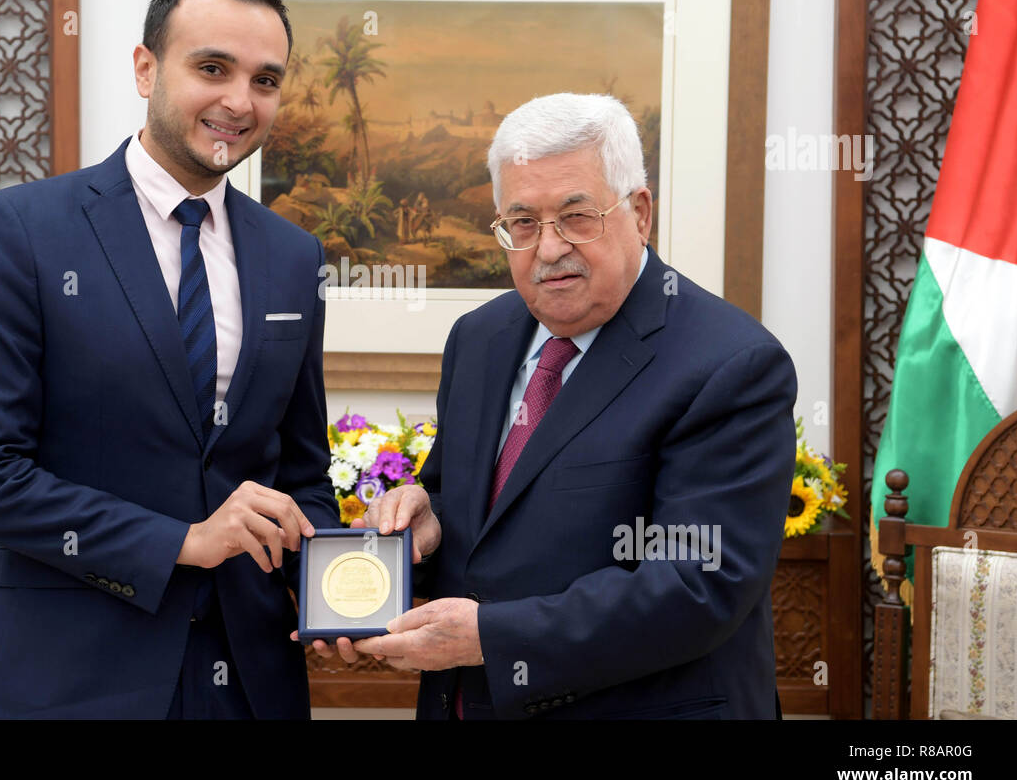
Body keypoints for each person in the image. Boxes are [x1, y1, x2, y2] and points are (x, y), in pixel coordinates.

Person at [308, 92, 796, 719]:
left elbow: (695, 587)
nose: (547, 248)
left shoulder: (732, 364)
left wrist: (490, 638)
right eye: (522, 222)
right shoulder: (480, 339)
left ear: (640, 213)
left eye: (576, 216)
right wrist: (418, 530)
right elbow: (468, 514)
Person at [0, 0, 339, 719]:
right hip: (66, 679)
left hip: (248, 682)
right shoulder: (22, 231)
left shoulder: (294, 258)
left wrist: (340, 582)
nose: (240, 102)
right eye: (212, 68)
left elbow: (300, 472)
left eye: (266, 80)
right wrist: (181, 542)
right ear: (146, 68)